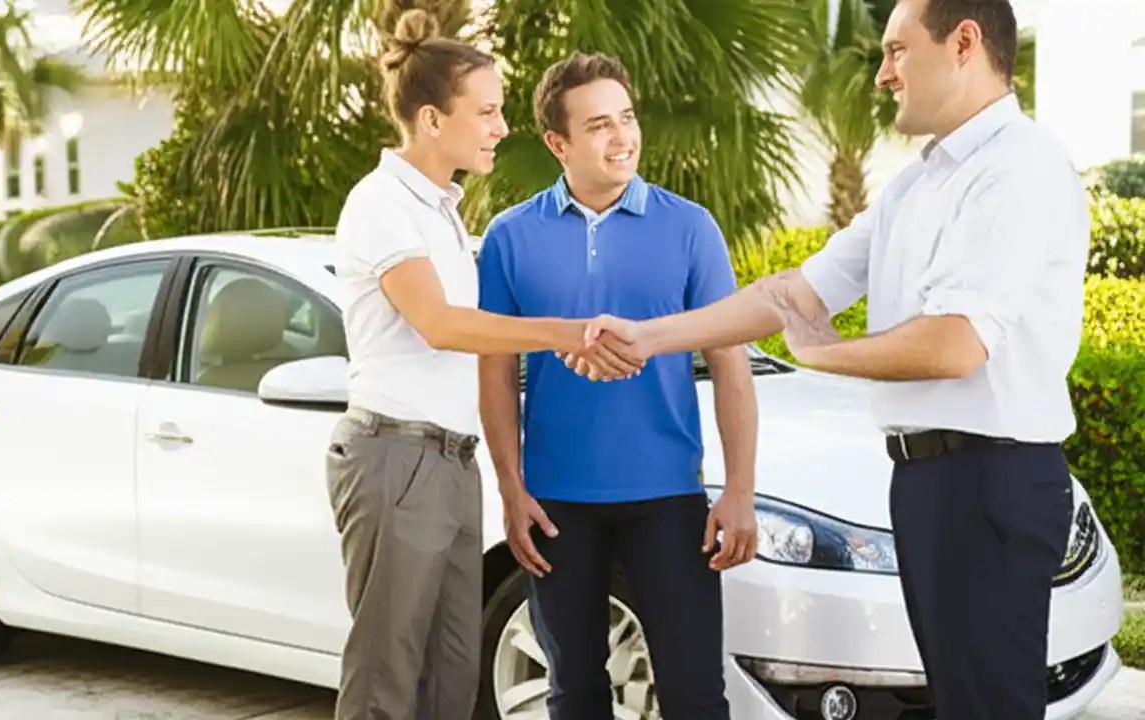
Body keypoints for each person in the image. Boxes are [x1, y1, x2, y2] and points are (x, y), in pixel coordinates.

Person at [583, 1, 1090, 718]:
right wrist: (648, 338)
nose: (882, 73)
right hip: (930, 485)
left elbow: (956, 342)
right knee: (960, 702)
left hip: (991, 480)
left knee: (988, 706)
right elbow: (793, 292)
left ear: (965, 43)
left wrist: (825, 355)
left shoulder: (1020, 168)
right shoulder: (920, 183)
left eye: (897, 51)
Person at [326, 9, 640, 720]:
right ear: (433, 119)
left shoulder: (442, 211)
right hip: (393, 457)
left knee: (453, 676)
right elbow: (439, 324)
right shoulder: (378, 204)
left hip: (449, 462)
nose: (502, 127)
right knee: (385, 679)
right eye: (489, 111)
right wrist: (566, 332)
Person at [476, 52, 759, 720]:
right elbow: (492, 375)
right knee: (573, 692)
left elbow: (730, 366)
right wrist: (511, 490)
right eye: (599, 125)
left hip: (668, 499)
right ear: (558, 143)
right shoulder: (510, 238)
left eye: (626, 119)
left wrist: (740, 490)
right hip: (555, 507)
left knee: (694, 694)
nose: (622, 137)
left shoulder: (691, 228)